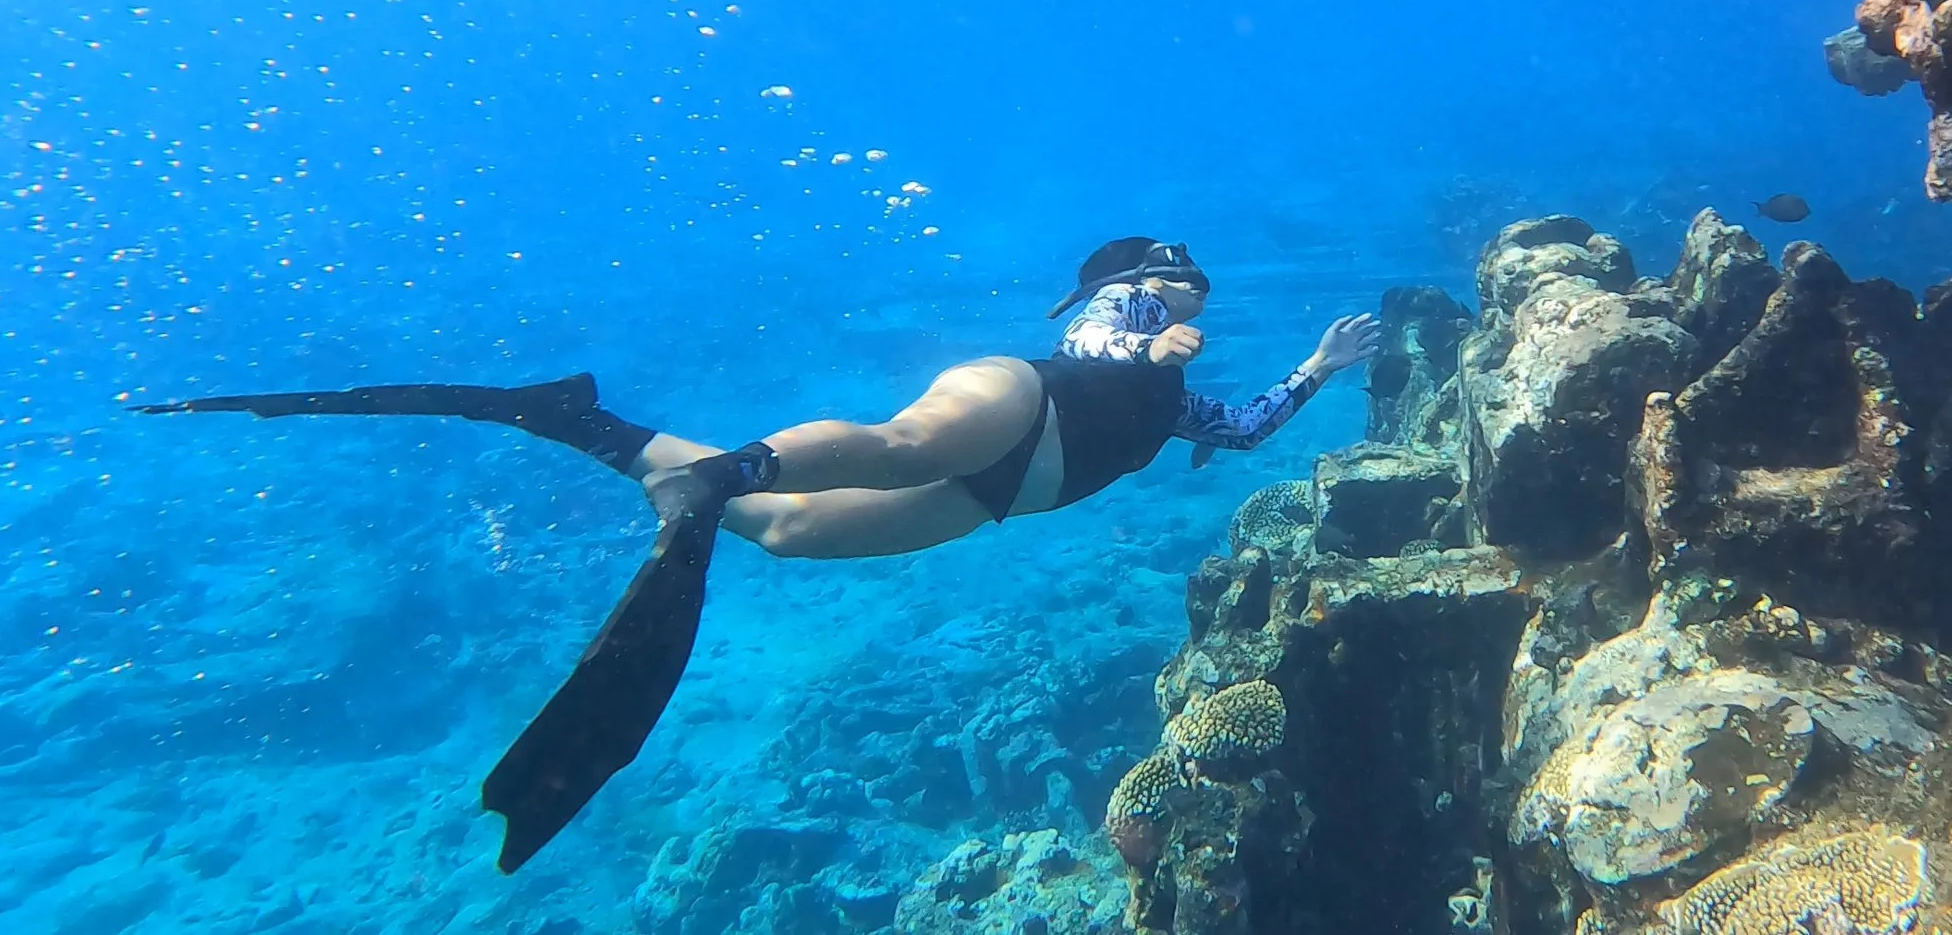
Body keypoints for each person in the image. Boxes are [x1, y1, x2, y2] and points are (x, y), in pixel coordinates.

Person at [134, 238, 1378, 871]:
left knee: (781, 539)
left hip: (1016, 492)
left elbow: (1252, 426)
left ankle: (584, 421)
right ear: (1125, 285)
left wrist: (1318, 368)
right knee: (893, 442)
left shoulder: (1185, 400)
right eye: (1172, 278)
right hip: (1023, 406)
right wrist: (1155, 330)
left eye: (1188, 283)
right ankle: (727, 460)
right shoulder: (1130, 320)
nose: (1191, 291)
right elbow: (1124, 332)